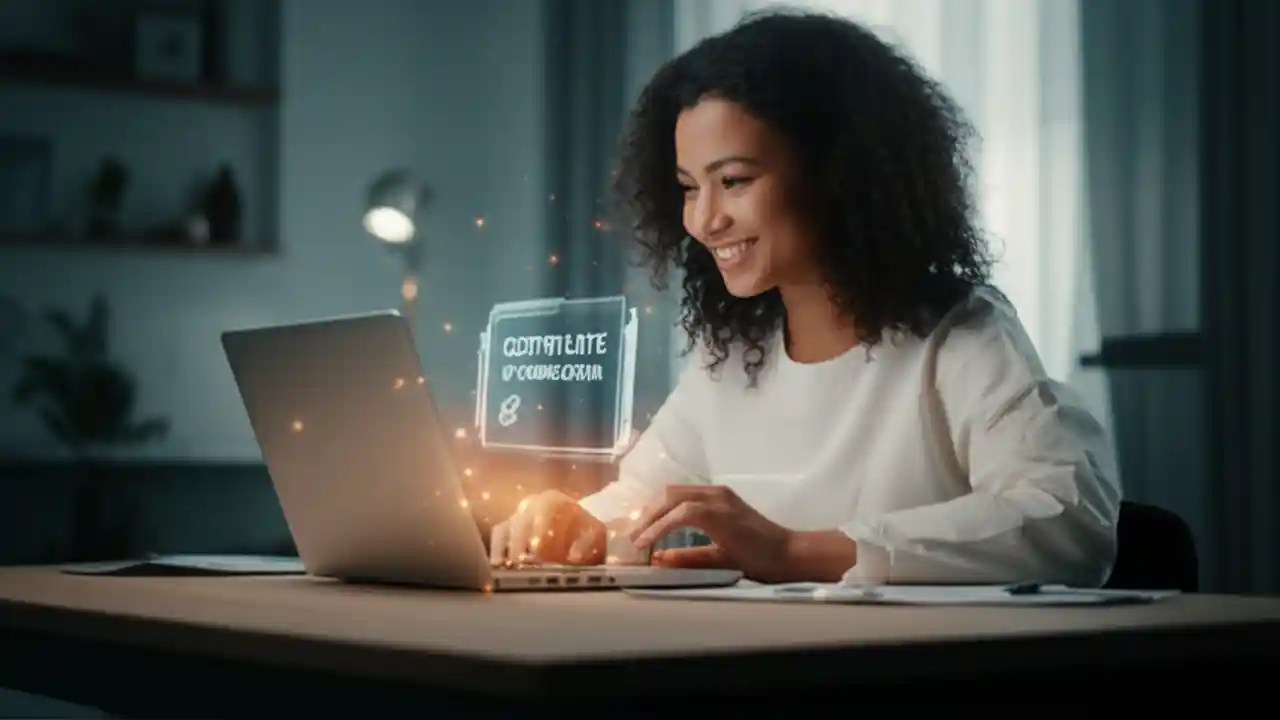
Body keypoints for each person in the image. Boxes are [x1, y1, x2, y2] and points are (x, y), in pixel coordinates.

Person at [488, 9, 1121, 587]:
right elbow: (643, 505)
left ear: (837, 173)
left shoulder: (960, 337)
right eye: (689, 187)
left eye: (734, 180)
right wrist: (573, 521)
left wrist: (793, 551)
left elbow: (1066, 521)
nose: (705, 221)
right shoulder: (732, 357)